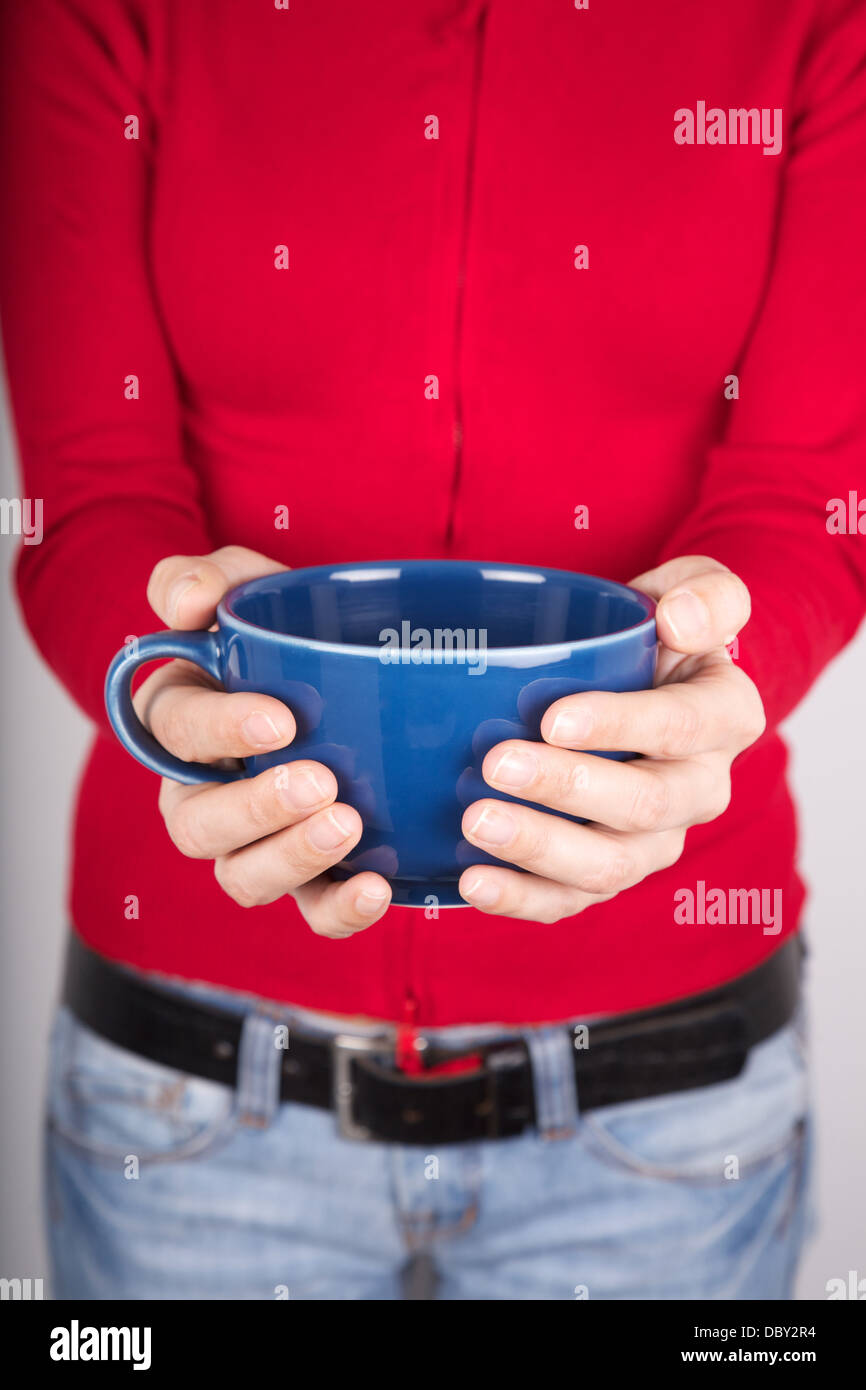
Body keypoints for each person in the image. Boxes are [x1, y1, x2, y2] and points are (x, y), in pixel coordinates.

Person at [1, 0, 864, 1301]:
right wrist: (175, 670)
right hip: (183, 1100)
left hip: (666, 1112)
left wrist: (717, 653)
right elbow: (87, 492)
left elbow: (808, 503)